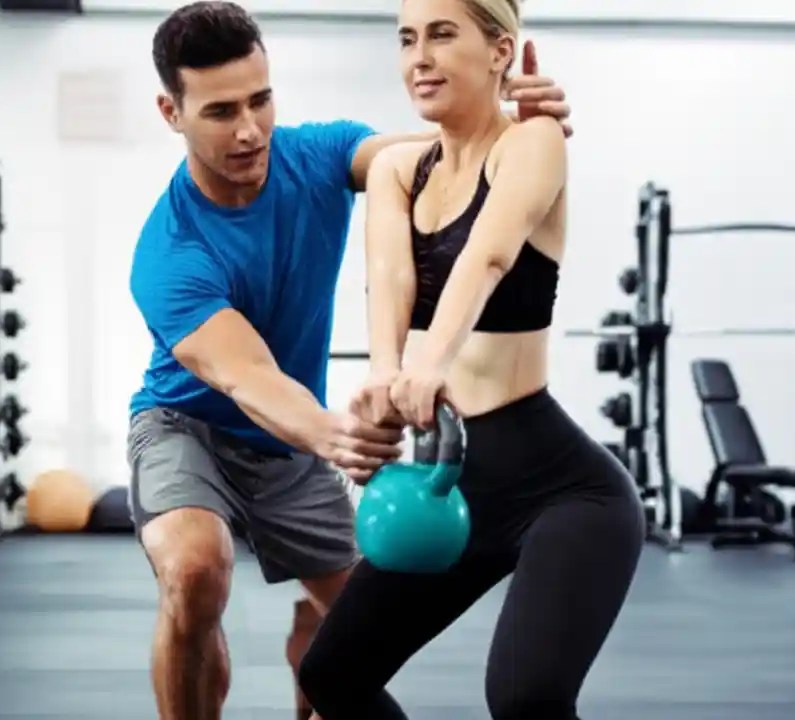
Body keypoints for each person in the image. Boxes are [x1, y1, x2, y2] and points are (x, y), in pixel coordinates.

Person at [126, 2, 574, 718]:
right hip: (191, 428)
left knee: (353, 633)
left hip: (295, 443)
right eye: (220, 112)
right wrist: (337, 434)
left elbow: (440, 153)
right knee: (196, 568)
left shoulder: (318, 155)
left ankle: (309, 645)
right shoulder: (169, 252)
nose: (249, 130)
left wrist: (514, 126)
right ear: (170, 112)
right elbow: (247, 376)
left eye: (260, 100)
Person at [295, 0, 646, 718]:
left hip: (564, 491)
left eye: (442, 34)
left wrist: (431, 364)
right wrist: (386, 379)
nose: (418, 57)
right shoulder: (397, 168)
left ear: (500, 51)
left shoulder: (533, 142)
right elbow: (389, 280)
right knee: (333, 675)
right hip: (455, 481)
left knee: (525, 699)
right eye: (407, 39)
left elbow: (488, 256)